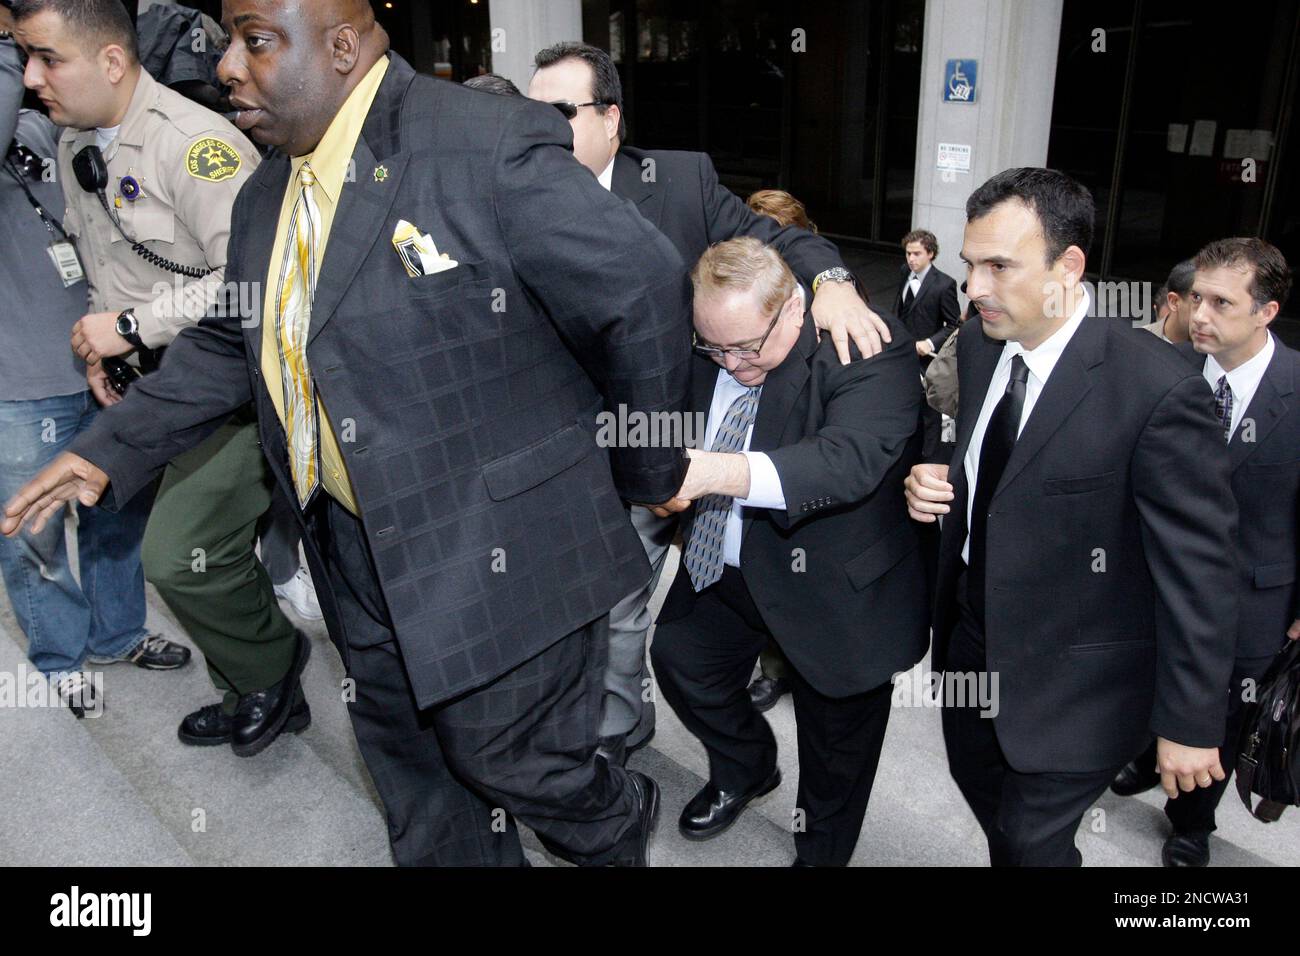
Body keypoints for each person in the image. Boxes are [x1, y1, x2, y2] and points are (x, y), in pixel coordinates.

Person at [6, 0, 692, 868]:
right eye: (230, 42)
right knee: (412, 776)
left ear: (339, 46)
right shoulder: (267, 190)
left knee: (515, 761)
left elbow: (640, 290)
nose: (225, 65)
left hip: (501, 547)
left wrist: (643, 470)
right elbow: (234, 335)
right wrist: (106, 448)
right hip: (352, 542)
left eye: (256, 41)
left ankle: (616, 817)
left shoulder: (482, 142)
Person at [528, 41, 890, 766]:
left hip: (689, 429)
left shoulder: (678, 183)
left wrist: (835, 283)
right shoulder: (513, 192)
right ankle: (614, 726)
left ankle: (654, 738)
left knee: (666, 608)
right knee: (600, 607)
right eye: (529, 111)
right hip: (577, 445)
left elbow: (777, 240)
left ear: (611, 118)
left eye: (560, 112)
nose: (539, 126)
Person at [903, 167, 1239, 866]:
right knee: (992, 807)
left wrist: (1188, 722)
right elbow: (997, 473)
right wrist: (937, 483)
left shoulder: (1155, 390)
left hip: (1080, 679)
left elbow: (1200, 573)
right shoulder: (982, 345)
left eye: (1000, 265)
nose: (975, 287)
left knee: (1028, 842)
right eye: (970, 265)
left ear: (1069, 266)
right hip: (972, 641)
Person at [13, 0, 315, 756]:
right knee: (180, 545)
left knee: (178, 553)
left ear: (112, 61)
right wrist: (107, 350)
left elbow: (255, 281)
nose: (30, 77)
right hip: (153, 388)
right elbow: (104, 264)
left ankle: (272, 666)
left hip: (230, 390)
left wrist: (129, 328)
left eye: (48, 58)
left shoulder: (195, 146)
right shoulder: (79, 138)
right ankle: (247, 683)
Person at [649, 238, 928, 864]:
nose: (731, 364)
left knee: (835, 753)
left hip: (835, 590)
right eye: (713, 347)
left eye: (747, 347)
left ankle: (819, 854)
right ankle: (746, 766)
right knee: (679, 662)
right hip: (727, 563)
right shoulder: (707, 343)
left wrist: (711, 472)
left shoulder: (866, 348)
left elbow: (845, 462)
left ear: (796, 309)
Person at [0, 26, 174, 715]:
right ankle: (59, 656)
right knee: (36, 530)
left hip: (101, 361)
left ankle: (118, 631)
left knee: (118, 510)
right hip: (19, 381)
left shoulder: (43, 133)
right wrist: (13, 41)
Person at [1110, 237, 1300, 867]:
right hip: (1151, 580)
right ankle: (1147, 749)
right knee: (1145, 677)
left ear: (1266, 312)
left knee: (1219, 715)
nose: (1200, 315)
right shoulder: (1166, 368)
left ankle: (1191, 823)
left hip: (1253, 599)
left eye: (1222, 302)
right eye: (1197, 297)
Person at [896, 228, 960, 460]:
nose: (911, 259)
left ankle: (935, 458)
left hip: (929, 362)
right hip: (904, 356)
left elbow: (954, 325)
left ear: (930, 254)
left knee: (936, 414)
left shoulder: (944, 284)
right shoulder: (904, 272)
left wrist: (929, 343)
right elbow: (901, 311)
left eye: (917, 254)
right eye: (908, 254)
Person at [1139, 259, 1195, 344]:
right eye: (1197, 298)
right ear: (1174, 301)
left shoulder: (1217, 350)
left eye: (1219, 301)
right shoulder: (1138, 340)